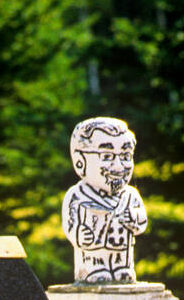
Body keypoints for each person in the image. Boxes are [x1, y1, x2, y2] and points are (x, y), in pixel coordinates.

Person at [62, 117, 148, 283]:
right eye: (107, 156)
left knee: (122, 265)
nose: (118, 166)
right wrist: (79, 234)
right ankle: (95, 270)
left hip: (122, 251)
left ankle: (122, 269)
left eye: (125, 156)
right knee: (95, 261)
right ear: (80, 161)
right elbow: (70, 223)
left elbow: (141, 221)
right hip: (92, 252)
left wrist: (134, 218)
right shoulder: (77, 195)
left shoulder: (130, 195)